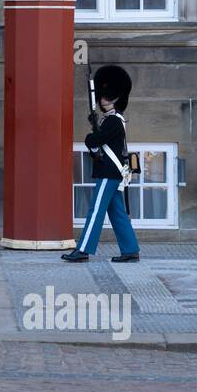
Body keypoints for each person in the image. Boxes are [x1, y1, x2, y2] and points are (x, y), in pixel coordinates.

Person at [61, 65, 140, 264]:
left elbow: (95, 141)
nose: (103, 100)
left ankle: (83, 249)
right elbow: (99, 149)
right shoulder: (110, 120)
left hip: (109, 173)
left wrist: (91, 136)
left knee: (95, 210)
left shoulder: (113, 121)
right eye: (103, 97)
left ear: (116, 98)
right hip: (112, 171)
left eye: (107, 97)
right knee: (117, 213)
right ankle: (130, 250)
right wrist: (95, 129)